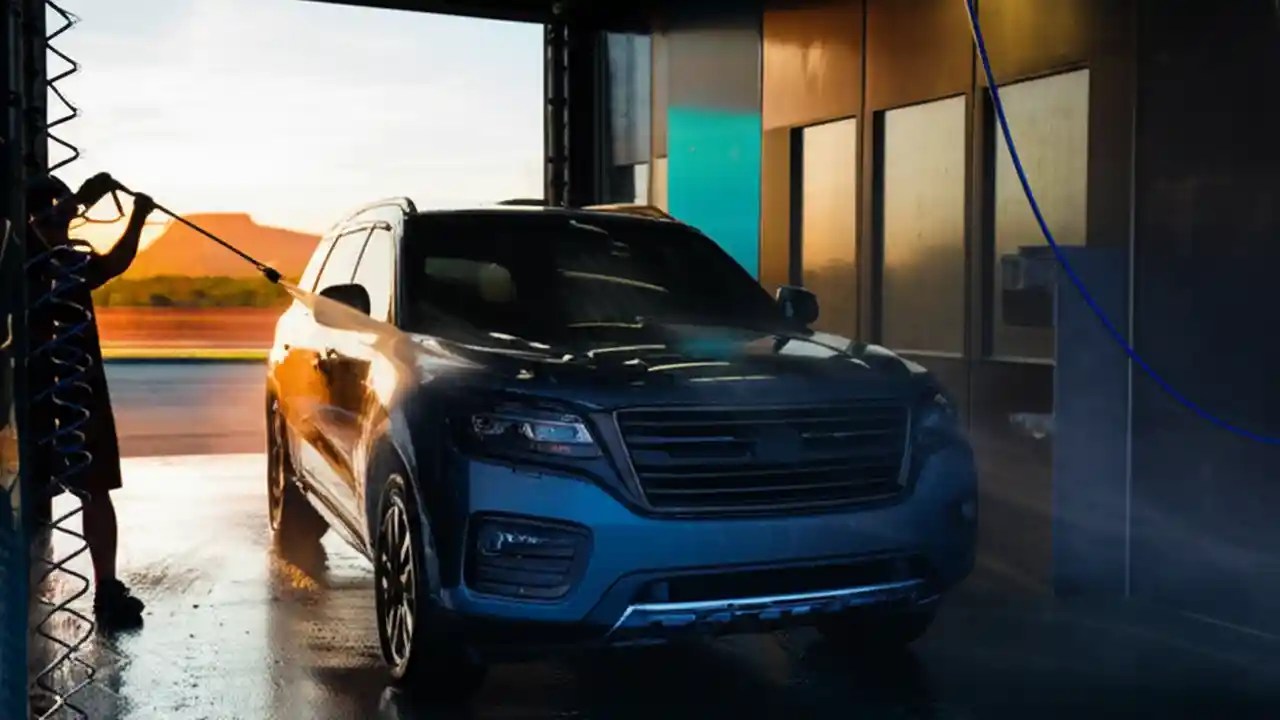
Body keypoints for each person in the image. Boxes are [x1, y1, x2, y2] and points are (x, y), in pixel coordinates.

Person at [25, 172, 155, 630]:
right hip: (36, 394)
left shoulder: (71, 262)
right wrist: (75, 201)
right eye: (49, 208)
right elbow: (44, 244)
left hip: (80, 389)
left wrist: (136, 216)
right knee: (34, 492)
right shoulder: (26, 262)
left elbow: (113, 262)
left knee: (95, 488)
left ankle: (105, 589)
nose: (60, 214)